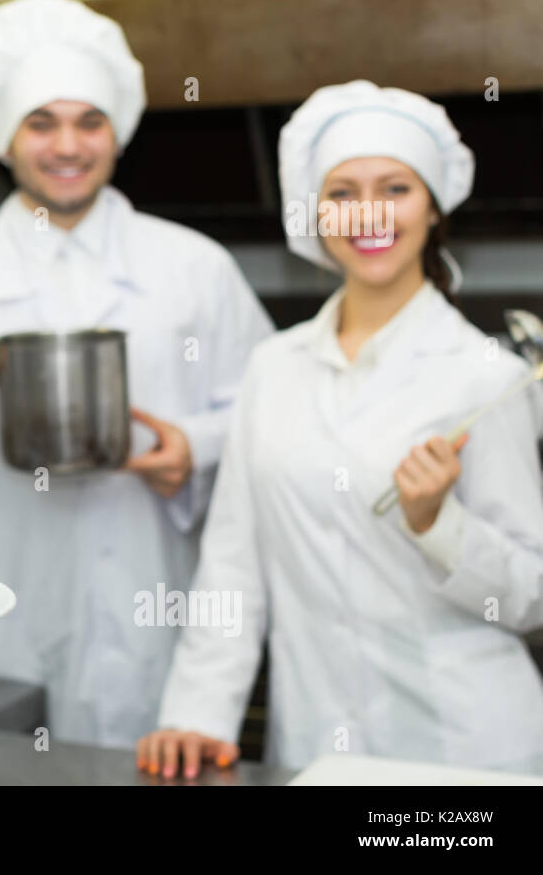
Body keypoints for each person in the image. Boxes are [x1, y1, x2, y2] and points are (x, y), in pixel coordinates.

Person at [139, 79, 543, 779]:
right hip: (321, 747)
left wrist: (437, 524)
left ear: (433, 208)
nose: (369, 215)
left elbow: (532, 592)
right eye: (342, 193)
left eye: (395, 188)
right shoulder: (273, 367)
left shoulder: (484, 375)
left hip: (467, 750)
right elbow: (234, 563)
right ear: (315, 212)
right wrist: (198, 715)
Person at [0, 0, 273, 748]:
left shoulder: (195, 270)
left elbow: (273, 414)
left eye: (88, 121)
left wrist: (195, 449)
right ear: (5, 138)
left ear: (118, 133)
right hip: (10, 611)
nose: (67, 145)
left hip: (159, 600)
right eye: (41, 123)